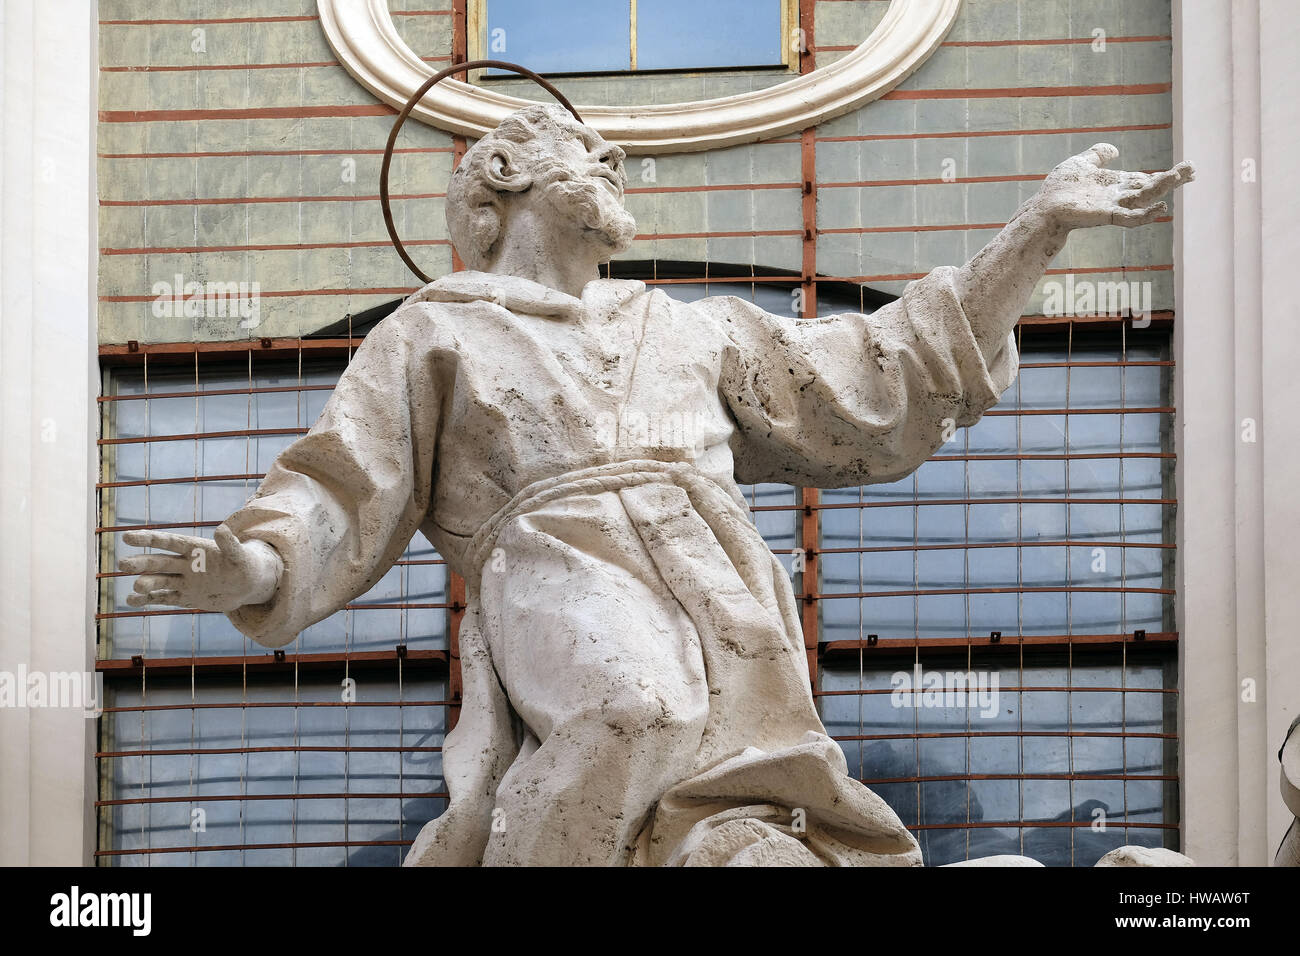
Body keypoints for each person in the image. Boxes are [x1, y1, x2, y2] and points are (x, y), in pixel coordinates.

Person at [121, 105, 1193, 866]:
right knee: (632, 705)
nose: (615, 159)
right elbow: (346, 481)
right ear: (505, 180)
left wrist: (1038, 230)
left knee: (741, 826)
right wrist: (253, 560)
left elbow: (881, 377)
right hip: (557, 570)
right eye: (588, 155)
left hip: (725, 600)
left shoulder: (685, 327)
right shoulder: (432, 333)